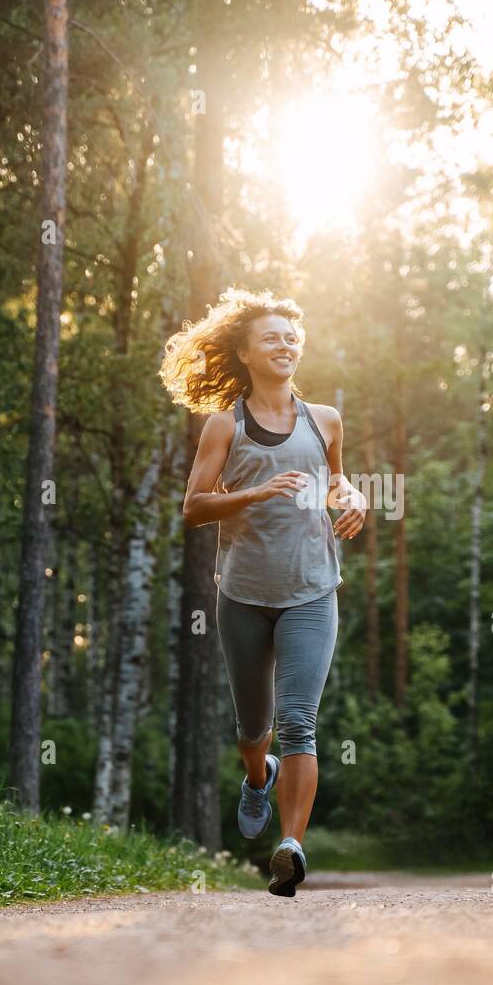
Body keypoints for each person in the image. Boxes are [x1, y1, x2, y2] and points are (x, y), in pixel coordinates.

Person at [159, 288, 367, 896]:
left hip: (311, 590)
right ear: (246, 353)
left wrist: (352, 499)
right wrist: (254, 493)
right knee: (254, 729)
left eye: (291, 336)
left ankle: (291, 847)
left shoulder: (324, 419)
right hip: (245, 594)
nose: (285, 344)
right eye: (272, 337)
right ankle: (258, 777)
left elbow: (335, 483)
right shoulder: (225, 425)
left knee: (300, 721)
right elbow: (194, 507)